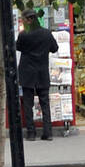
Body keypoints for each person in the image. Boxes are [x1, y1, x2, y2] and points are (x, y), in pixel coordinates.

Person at [16, 9, 58, 140]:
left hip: (27, 72)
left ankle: (31, 133)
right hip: (42, 72)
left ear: (29, 20)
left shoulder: (23, 35)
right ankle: (48, 133)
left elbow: (18, 47)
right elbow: (54, 48)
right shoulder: (46, 33)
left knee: (28, 104)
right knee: (45, 103)